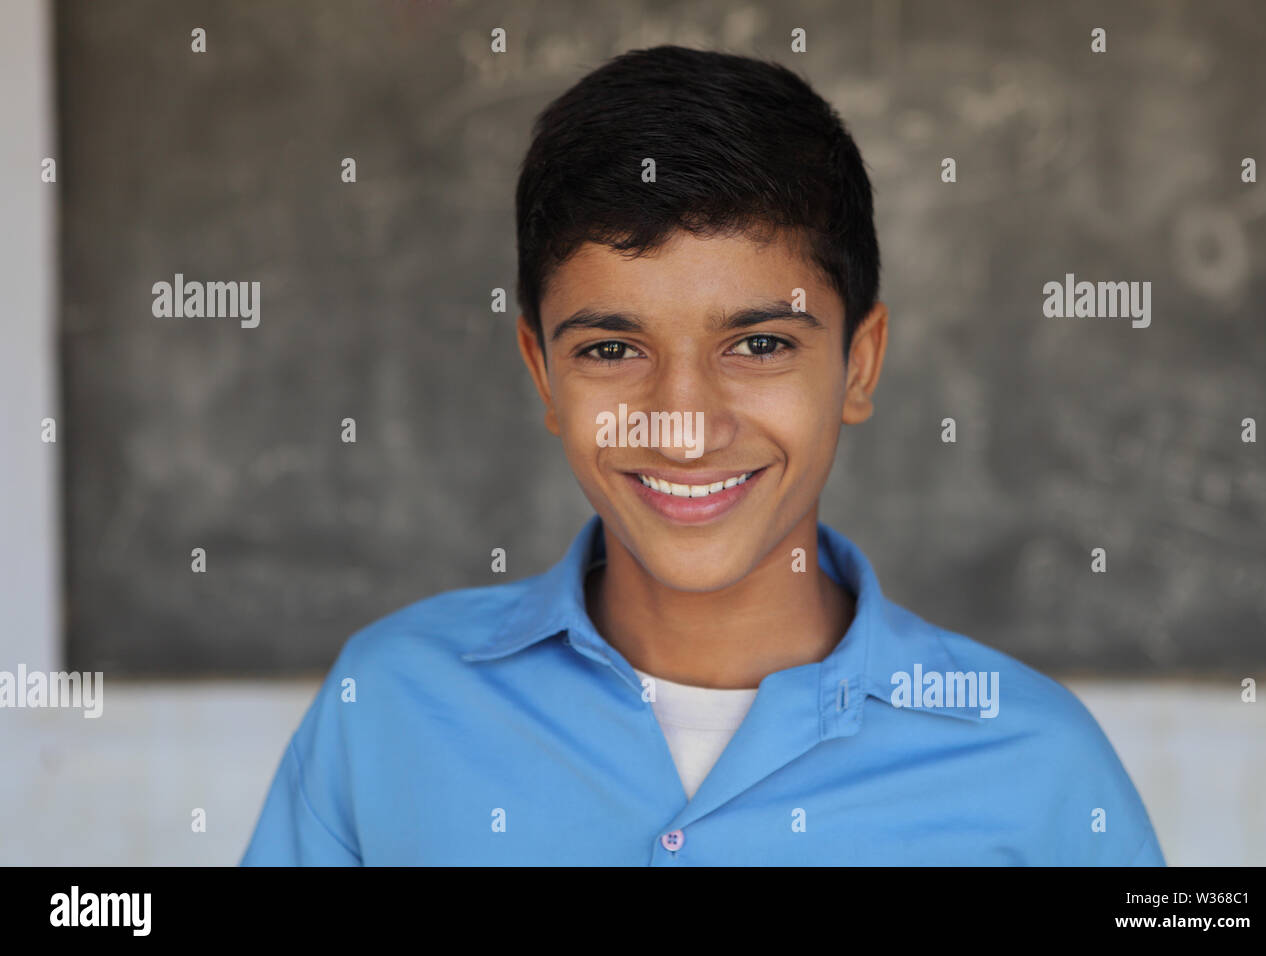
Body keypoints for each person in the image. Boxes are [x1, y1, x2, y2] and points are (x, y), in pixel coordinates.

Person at [241, 45, 1164, 865]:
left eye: (760, 345)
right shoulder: (391, 709)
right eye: (611, 349)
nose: (683, 425)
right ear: (542, 371)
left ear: (859, 363)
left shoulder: (1034, 768)